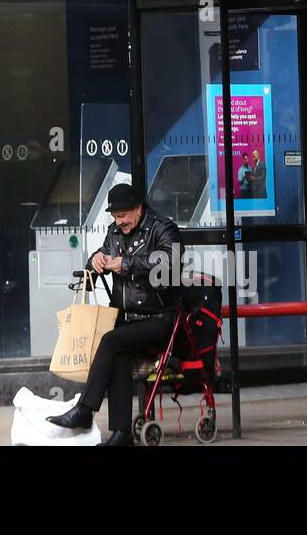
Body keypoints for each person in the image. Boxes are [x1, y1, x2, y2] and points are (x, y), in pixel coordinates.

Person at [47, 183, 182, 446]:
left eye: (123, 216)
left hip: (159, 318)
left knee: (111, 341)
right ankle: (121, 434)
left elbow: (171, 261)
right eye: (115, 217)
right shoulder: (114, 233)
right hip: (126, 318)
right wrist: (95, 261)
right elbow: (95, 267)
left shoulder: (163, 228)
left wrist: (128, 264)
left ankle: (85, 411)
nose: (119, 222)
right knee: (117, 351)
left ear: (138, 208)